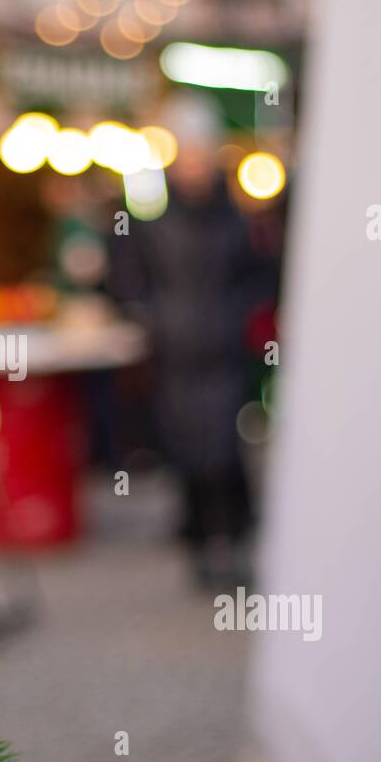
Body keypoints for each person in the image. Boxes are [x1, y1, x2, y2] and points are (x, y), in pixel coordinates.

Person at [110, 97, 270, 588]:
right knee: (186, 448)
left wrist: (234, 317)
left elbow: (260, 277)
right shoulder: (153, 220)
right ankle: (199, 538)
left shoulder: (235, 220)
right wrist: (154, 318)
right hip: (177, 354)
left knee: (224, 448)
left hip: (221, 351)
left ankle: (233, 536)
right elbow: (130, 277)